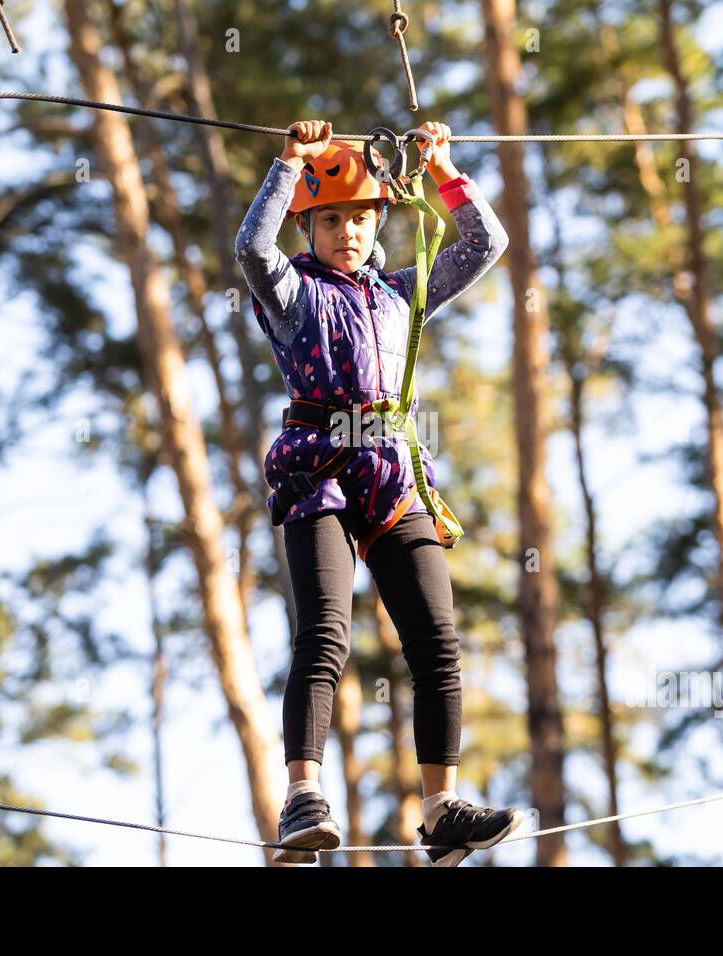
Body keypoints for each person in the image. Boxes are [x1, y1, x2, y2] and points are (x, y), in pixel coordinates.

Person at [234, 119, 524, 865]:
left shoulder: (403, 293)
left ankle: (440, 809)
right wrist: (288, 163)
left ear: (379, 221)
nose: (348, 232)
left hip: (394, 474)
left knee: (437, 642)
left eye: (360, 218)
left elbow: (484, 245)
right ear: (309, 223)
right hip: (318, 473)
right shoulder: (295, 294)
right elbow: (251, 250)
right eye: (330, 219)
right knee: (324, 632)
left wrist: (445, 171)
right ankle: (303, 797)